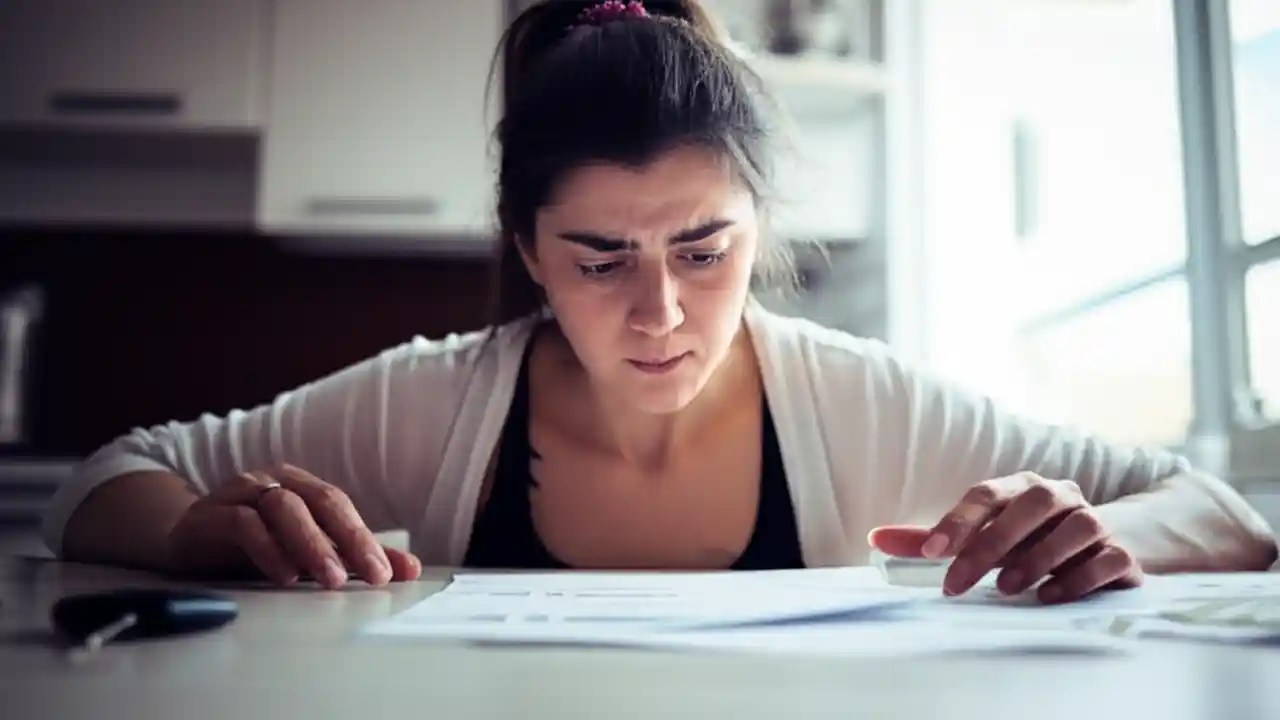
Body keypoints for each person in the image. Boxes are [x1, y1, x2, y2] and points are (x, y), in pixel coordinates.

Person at [46, 0, 1275, 604]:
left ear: (756, 231)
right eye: (597, 260)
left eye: (702, 252)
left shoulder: (854, 398)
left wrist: (1093, 534)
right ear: (527, 251)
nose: (661, 315)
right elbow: (104, 481)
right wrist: (203, 532)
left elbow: (1222, 512)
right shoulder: (433, 401)